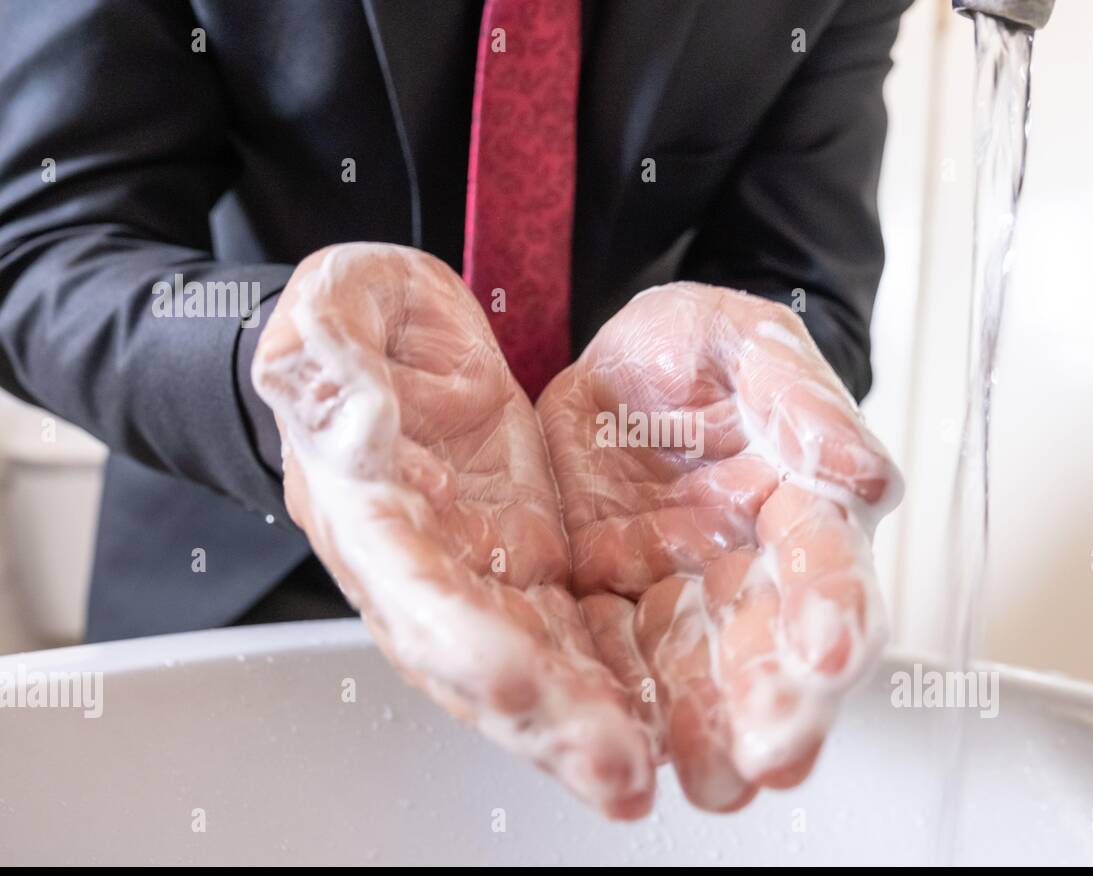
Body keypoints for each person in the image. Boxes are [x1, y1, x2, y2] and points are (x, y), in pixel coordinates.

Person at [0, 0, 909, 815]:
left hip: (636, 582)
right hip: (231, 571)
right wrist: (297, 370)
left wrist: (743, 372)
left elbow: (801, 284)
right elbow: (44, 242)